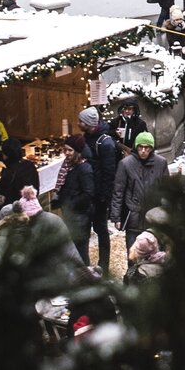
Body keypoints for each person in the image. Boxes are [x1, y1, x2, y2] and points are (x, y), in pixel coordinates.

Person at [79, 107, 121, 272]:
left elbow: (109, 172)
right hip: (89, 192)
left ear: (88, 124)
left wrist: (103, 196)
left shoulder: (105, 143)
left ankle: (104, 264)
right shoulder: (88, 137)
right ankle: (85, 265)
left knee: (101, 229)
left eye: (80, 121)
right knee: (86, 229)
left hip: (98, 195)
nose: (78, 123)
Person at [111, 131, 166, 239]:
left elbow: (166, 190)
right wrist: (116, 217)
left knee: (153, 253)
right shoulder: (125, 164)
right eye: (141, 147)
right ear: (136, 147)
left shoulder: (161, 163)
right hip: (133, 215)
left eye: (147, 148)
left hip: (153, 216)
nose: (144, 151)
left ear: (151, 148)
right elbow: (118, 191)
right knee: (133, 253)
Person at [55, 140, 95, 241]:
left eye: (70, 150)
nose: (67, 153)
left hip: (79, 216)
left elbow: (88, 193)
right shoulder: (69, 166)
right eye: (65, 150)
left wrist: (70, 204)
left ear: (77, 152)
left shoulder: (84, 169)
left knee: (80, 249)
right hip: (71, 214)